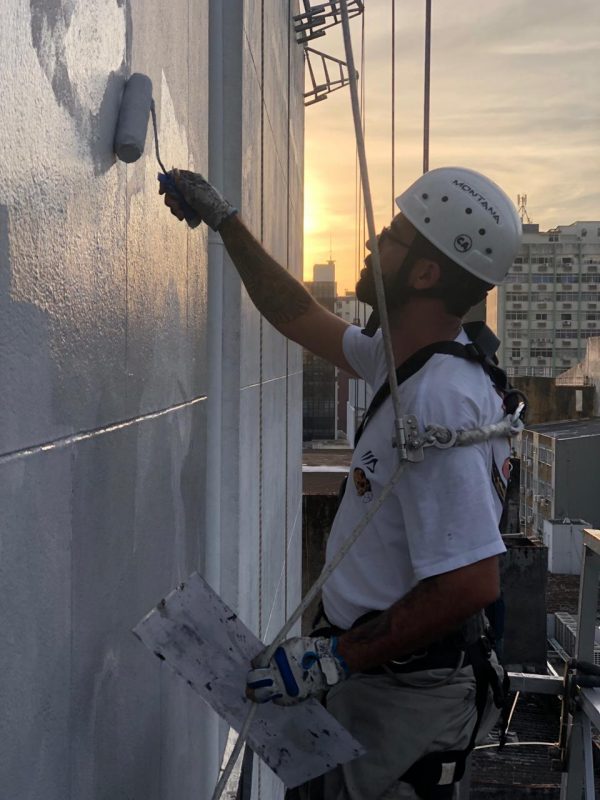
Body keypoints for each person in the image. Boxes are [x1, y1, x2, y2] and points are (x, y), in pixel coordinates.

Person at [159, 167, 522, 799]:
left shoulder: (438, 398)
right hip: (377, 676)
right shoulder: (408, 358)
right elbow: (298, 313)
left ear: (426, 273)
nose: (373, 242)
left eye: (393, 234)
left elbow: (471, 582)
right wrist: (225, 221)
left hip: (402, 693)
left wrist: (335, 658)